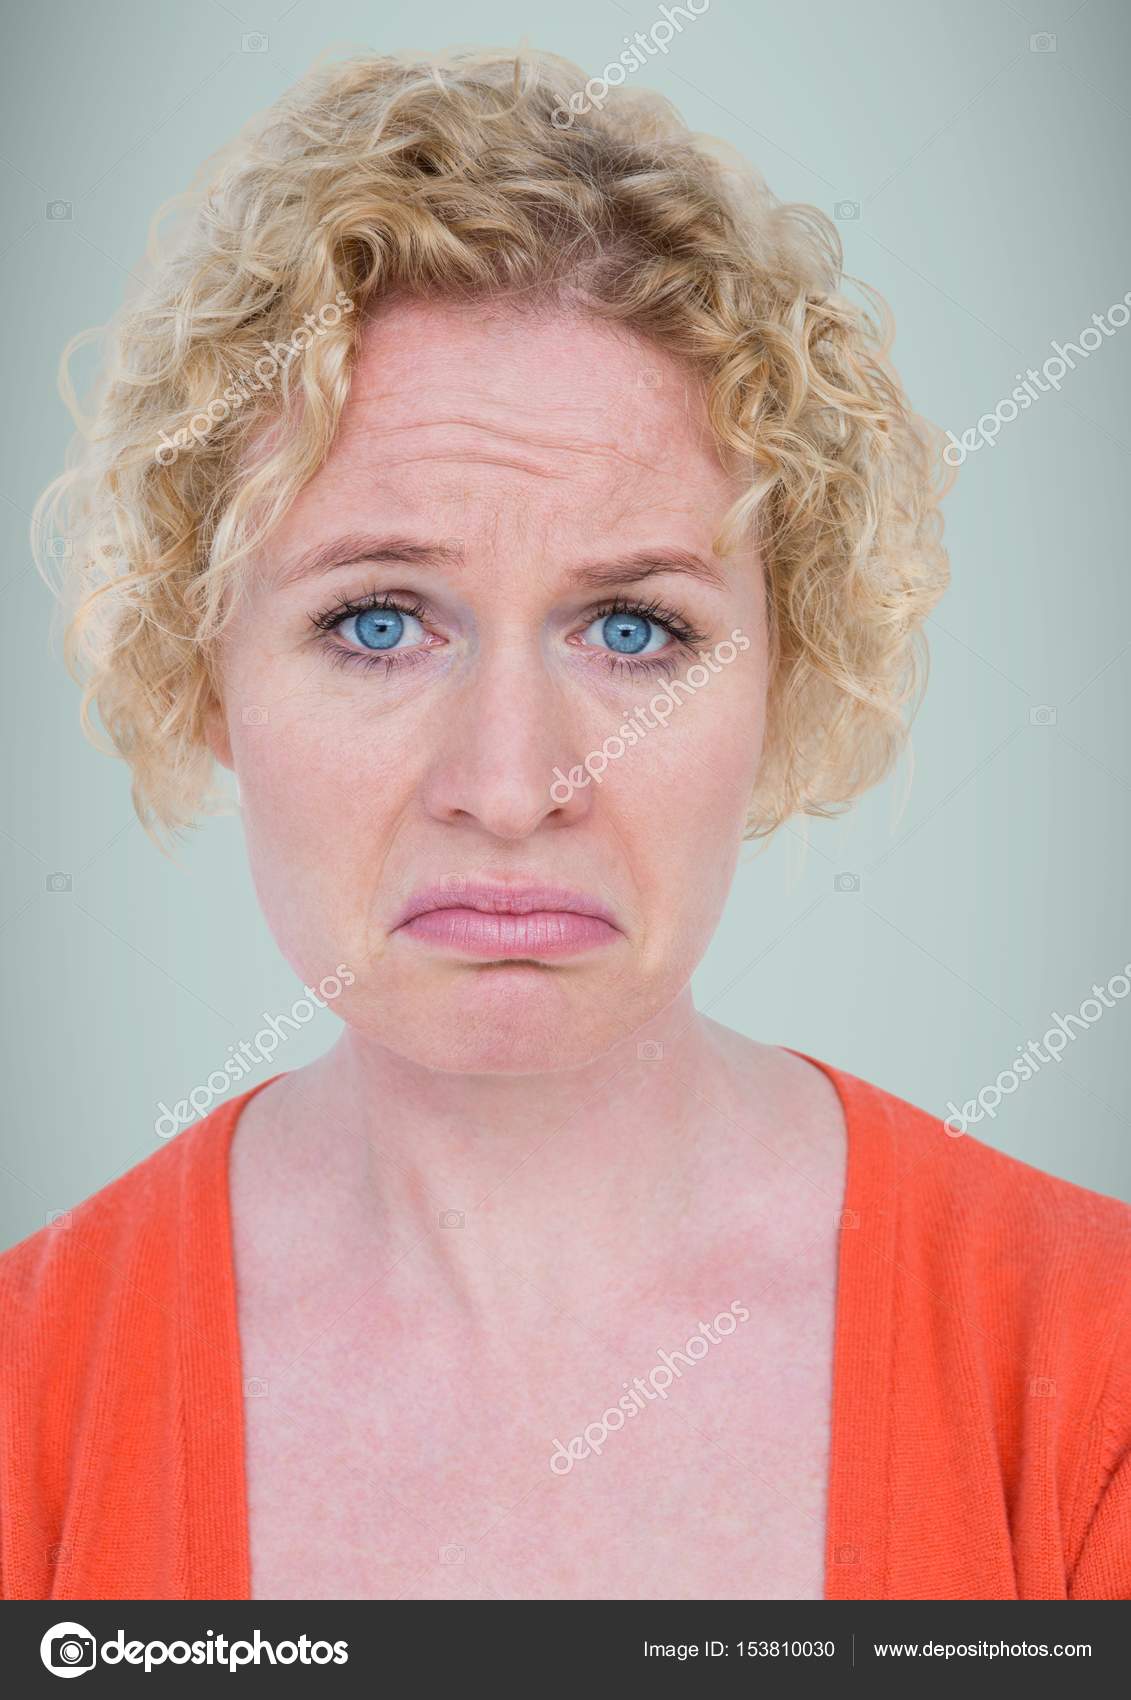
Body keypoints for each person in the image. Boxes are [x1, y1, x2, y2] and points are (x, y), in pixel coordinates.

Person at [4, 48, 1128, 1601]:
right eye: (382, 621)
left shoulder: (1088, 1371)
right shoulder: (28, 1404)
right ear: (203, 668)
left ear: (788, 663)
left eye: (634, 631)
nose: (513, 782)